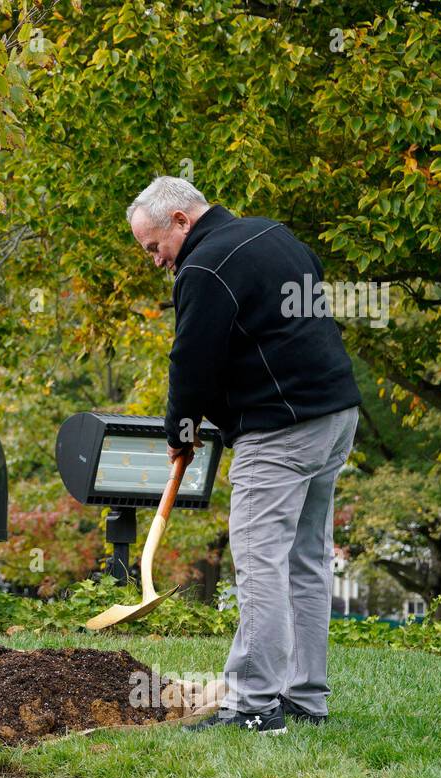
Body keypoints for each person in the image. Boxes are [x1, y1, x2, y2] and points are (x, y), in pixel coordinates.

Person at [125, 176, 361, 734]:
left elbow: (192, 362)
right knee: (305, 560)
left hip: (280, 431)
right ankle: (306, 697)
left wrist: (180, 430)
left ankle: (255, 705)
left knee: (259, 564)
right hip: (335, 417)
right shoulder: (274, 235)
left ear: (181, 221)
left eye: (154, 247)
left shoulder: (204, 267)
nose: (156, 262)